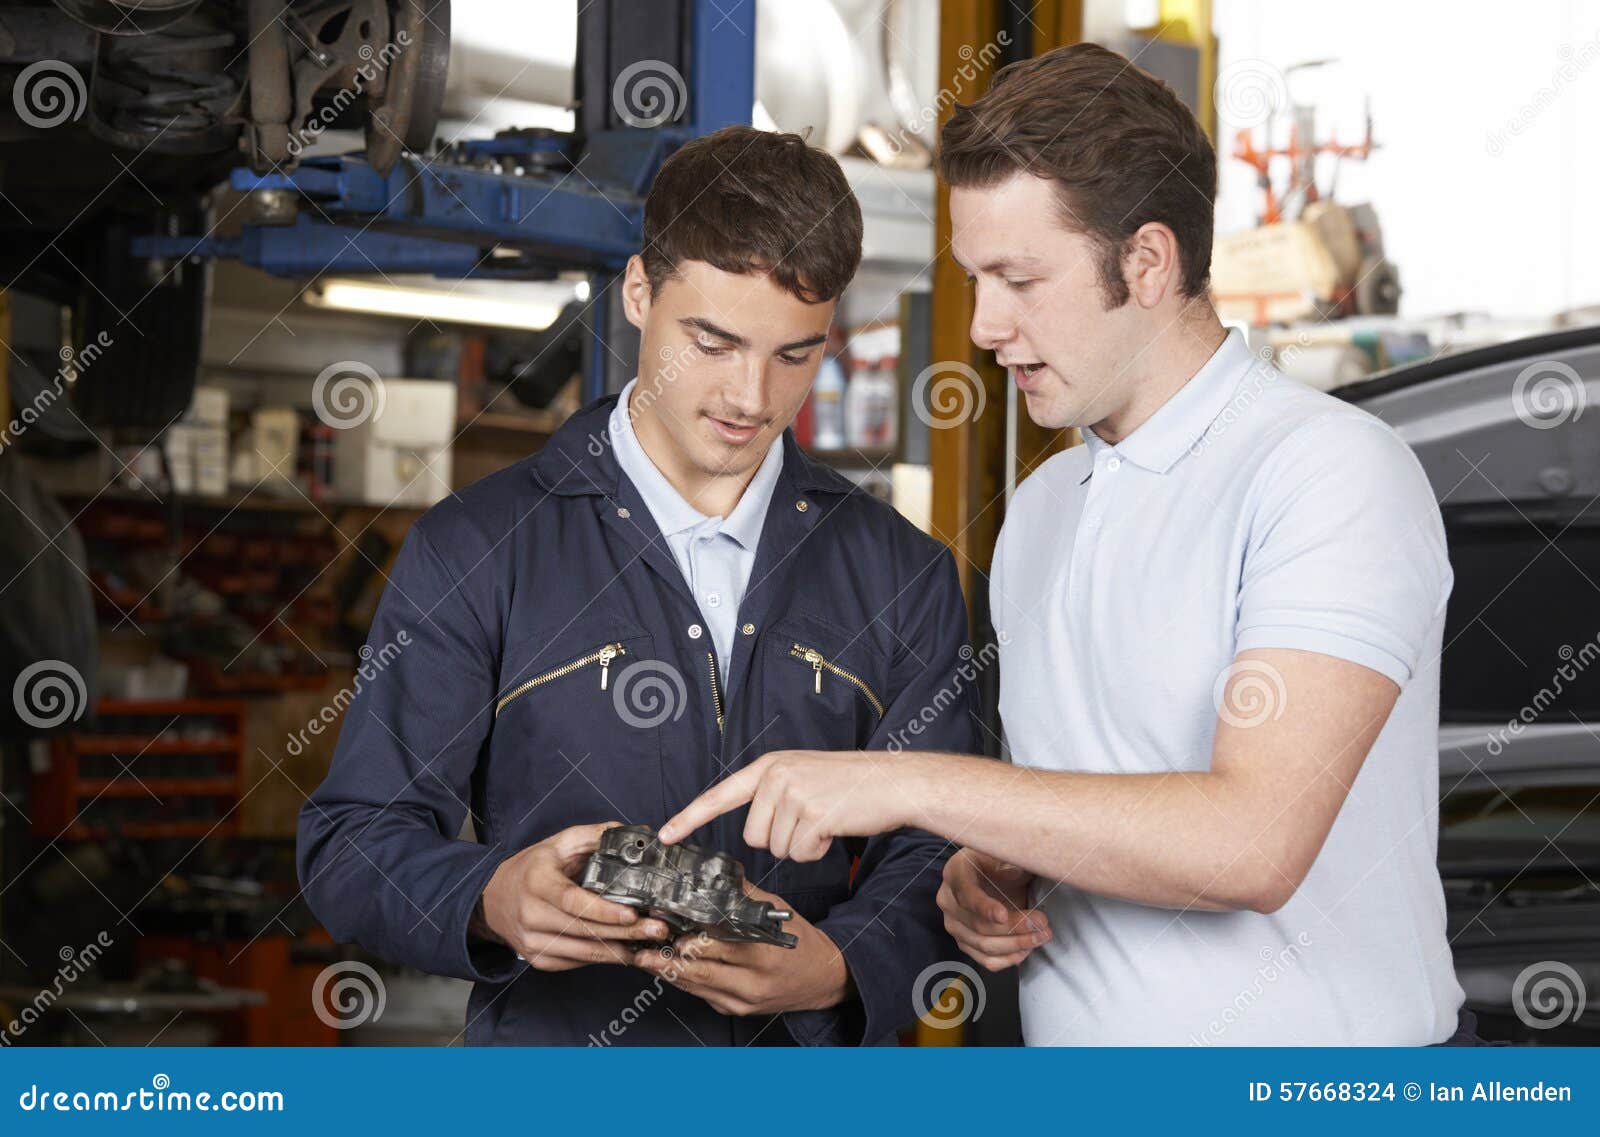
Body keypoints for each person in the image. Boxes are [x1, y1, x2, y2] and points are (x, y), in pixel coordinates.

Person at [659, 45, 1470, 1046]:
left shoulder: (1327, 473)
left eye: (1019, 279)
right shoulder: (1043, 509)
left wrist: (903, 782)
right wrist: (993, 867)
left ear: (1147, 262)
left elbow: (1252, 845)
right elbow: (1088, 800)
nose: (987, 326)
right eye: (973, 279)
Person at [297, 125, 977, 1046]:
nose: (749, 395)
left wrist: (841, 964)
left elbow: (939, 844)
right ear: (639, 292)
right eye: (713, 340)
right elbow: (353, 838)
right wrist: (491, 897)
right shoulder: (481, 547)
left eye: (794, 354)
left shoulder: (902, 573)